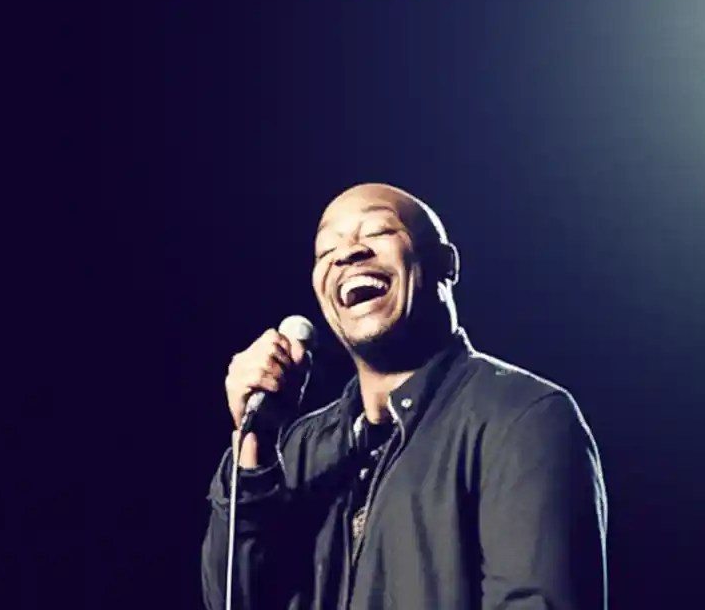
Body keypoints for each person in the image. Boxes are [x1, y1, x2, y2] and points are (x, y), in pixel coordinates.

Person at [201, 183, 608, 610]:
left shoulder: (523, 419)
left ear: (445, 264)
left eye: (377, 231)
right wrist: (254, 447)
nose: (347, 253)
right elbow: (235, 600)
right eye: (326, 251)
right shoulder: (296, 450)